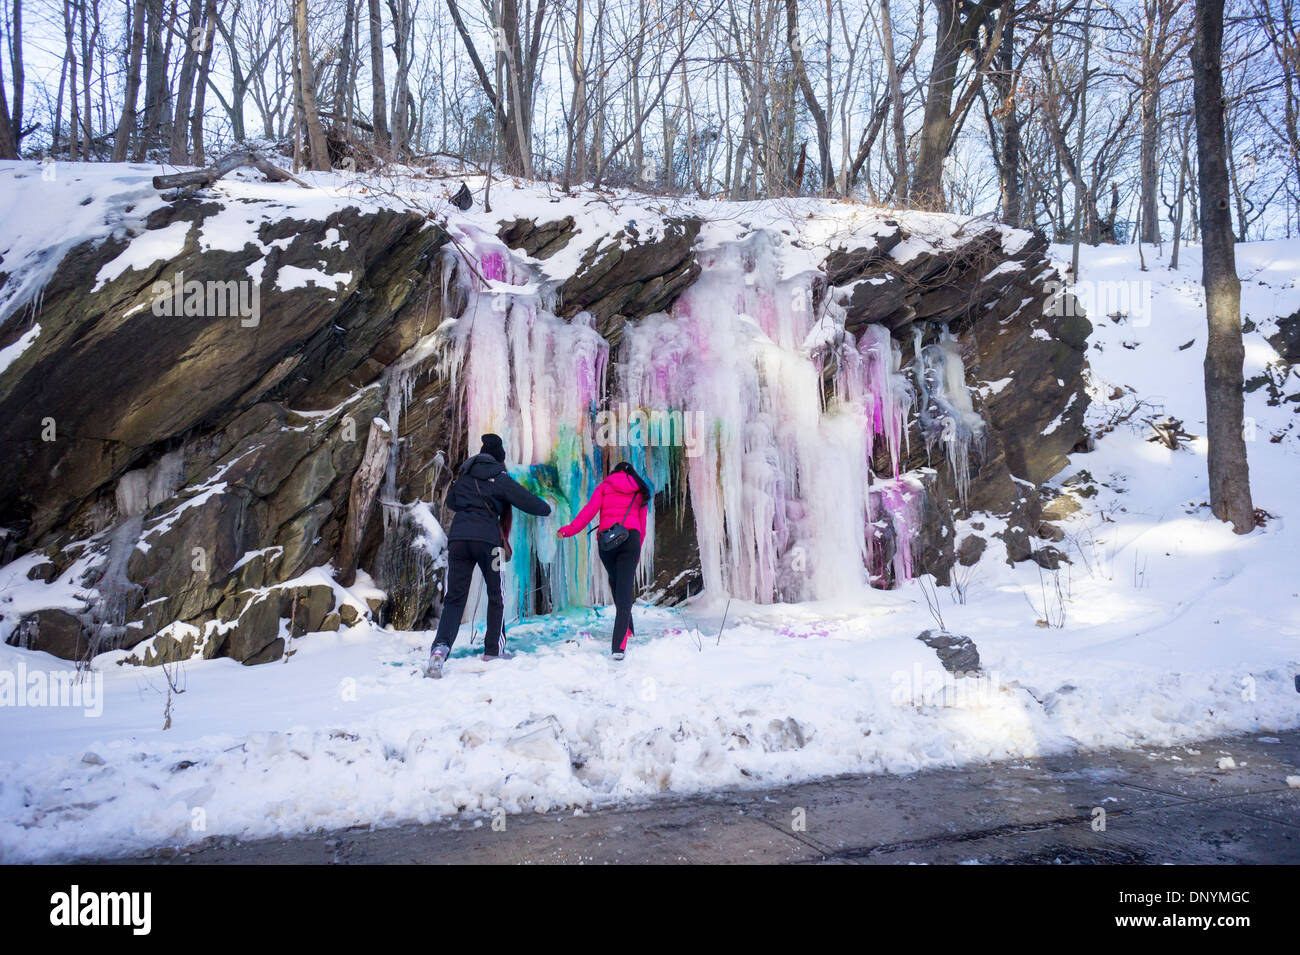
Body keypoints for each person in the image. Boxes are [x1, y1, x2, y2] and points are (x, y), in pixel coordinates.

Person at [425, 433, 551, 678]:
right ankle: (493, 650)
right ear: (498, 458)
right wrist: (546, 508)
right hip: (489, 543)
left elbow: (451, 502)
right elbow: (528, 502)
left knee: (454, 598)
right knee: (497, 594)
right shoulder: (500, 479)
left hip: (459, 542)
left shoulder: (464, 477)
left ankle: (439, 650)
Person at [556, 462, 651, 660]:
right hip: (631, 540)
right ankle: (619, 646)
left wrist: (568, 530)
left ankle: (627, 631)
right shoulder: (640, 491)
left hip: (607, 543)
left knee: (616, 583)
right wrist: (637, 550)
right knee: (623, 587)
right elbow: (642, 526)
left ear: (614, 473)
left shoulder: (604, 487)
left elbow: (588, 513)